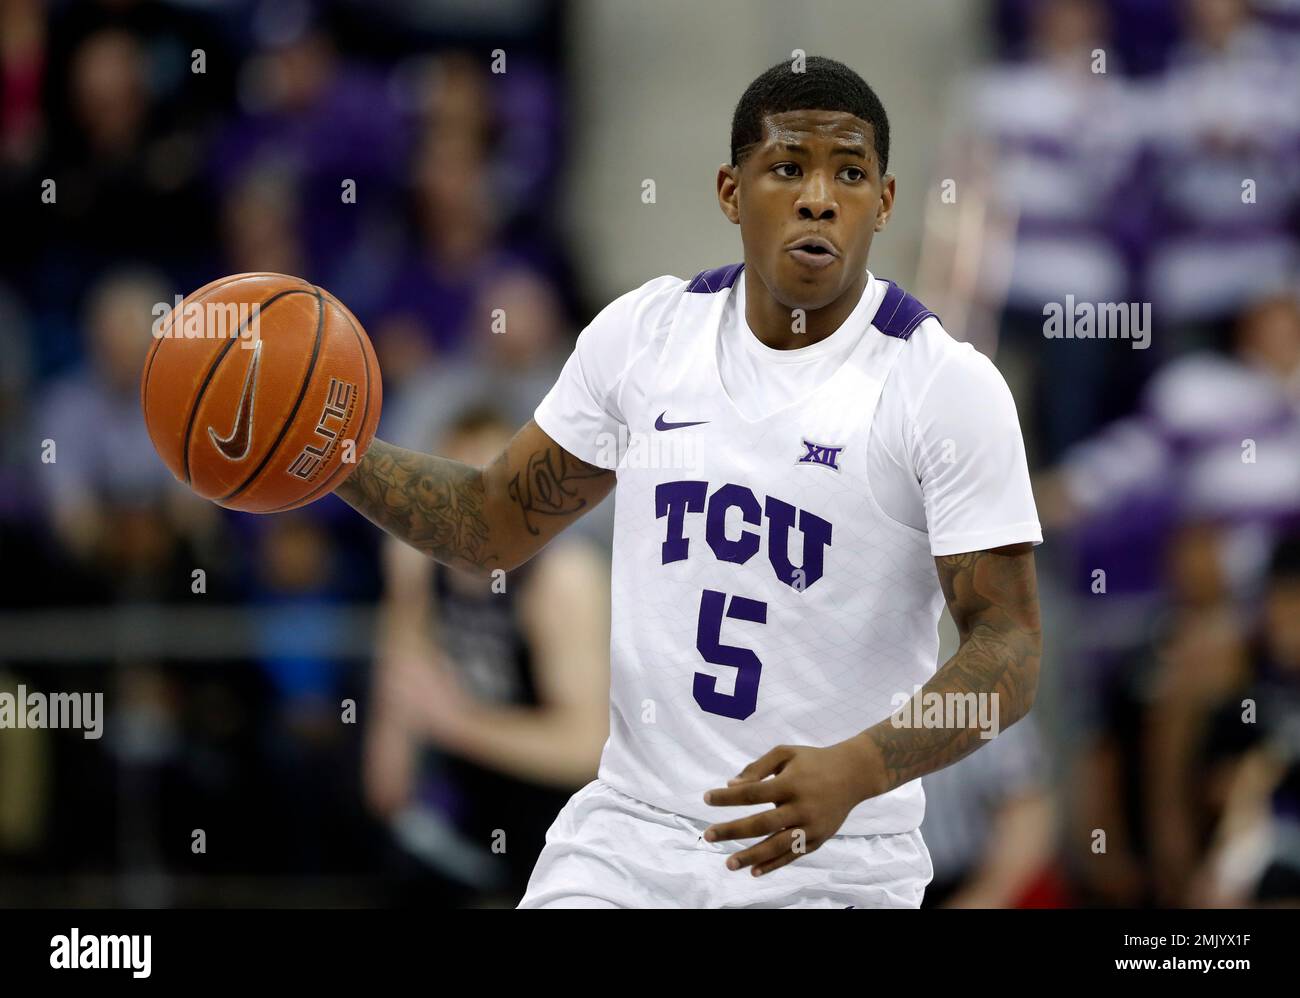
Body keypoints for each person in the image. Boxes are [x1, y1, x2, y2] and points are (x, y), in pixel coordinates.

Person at [335, 56, 1044, 908]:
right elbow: (490, 524)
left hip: (831, 856)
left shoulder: (944, 387)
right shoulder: (643, 335)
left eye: (850, 173)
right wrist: (330, 453)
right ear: (729, 190)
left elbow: (1008, 652)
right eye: (788, 168)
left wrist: (862, 767)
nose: (820, 197)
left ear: (884, 203)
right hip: (632, 838)